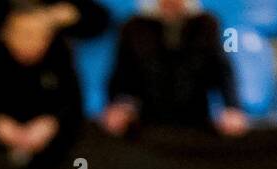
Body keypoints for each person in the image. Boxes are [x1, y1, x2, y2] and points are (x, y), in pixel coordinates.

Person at [0, 2, 84, 167]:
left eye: (41, 35)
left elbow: (72, 103)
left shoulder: (59, 57)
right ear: (5, 33)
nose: (33, 42)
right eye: (25, 34)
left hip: (53, 160)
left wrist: (53, 123)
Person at [101, 0, 247, 137]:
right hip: (146, 125)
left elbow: (223, 72)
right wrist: (119, 105)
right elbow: (122, 74)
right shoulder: (133, 26)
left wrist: (232, 107)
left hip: (196, 122)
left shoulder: (207, 24)